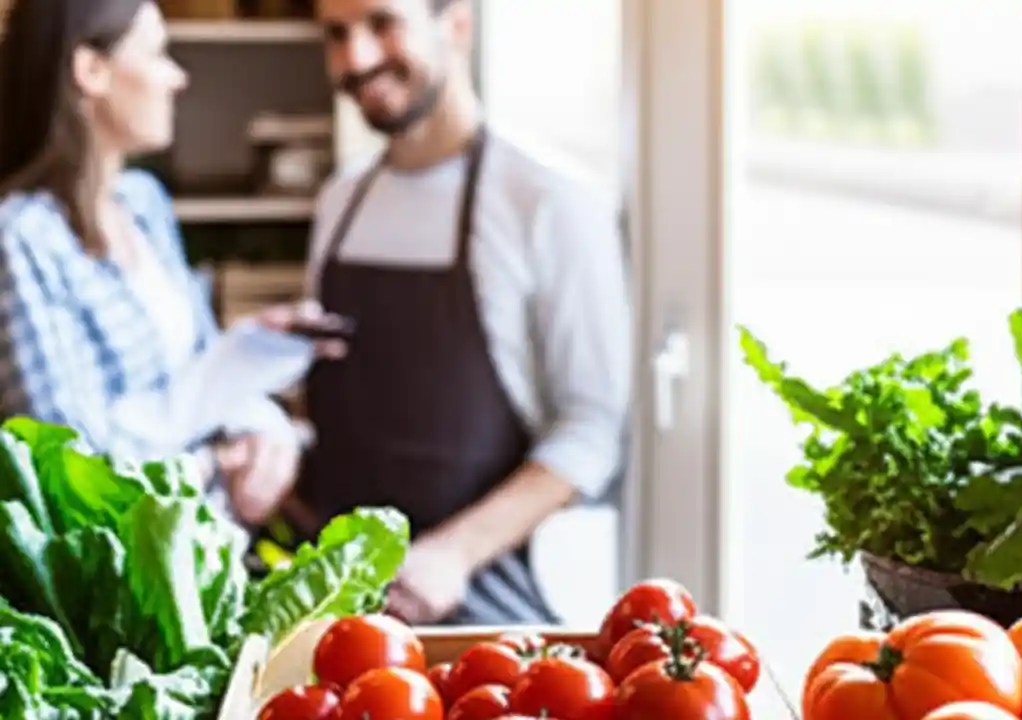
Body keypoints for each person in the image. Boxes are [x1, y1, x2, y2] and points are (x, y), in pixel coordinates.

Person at [290, 0, 632, 625]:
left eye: (382, 23)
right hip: (339, 609)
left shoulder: (549, 201)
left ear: (457, 25)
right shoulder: (340, 201)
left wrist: (452, 552)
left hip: (486, 600)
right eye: (336, 34)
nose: (356, 58)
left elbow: (592, 428)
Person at [0, 0, 339, 523]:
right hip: (115, 583)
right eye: (158, 54)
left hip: (204, 550)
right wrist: (214, 463)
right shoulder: (23, 238)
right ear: (91, 71)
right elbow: (70, 474)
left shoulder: (143, 203)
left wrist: (257, 420)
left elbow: (198, 369)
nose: (176, 78)